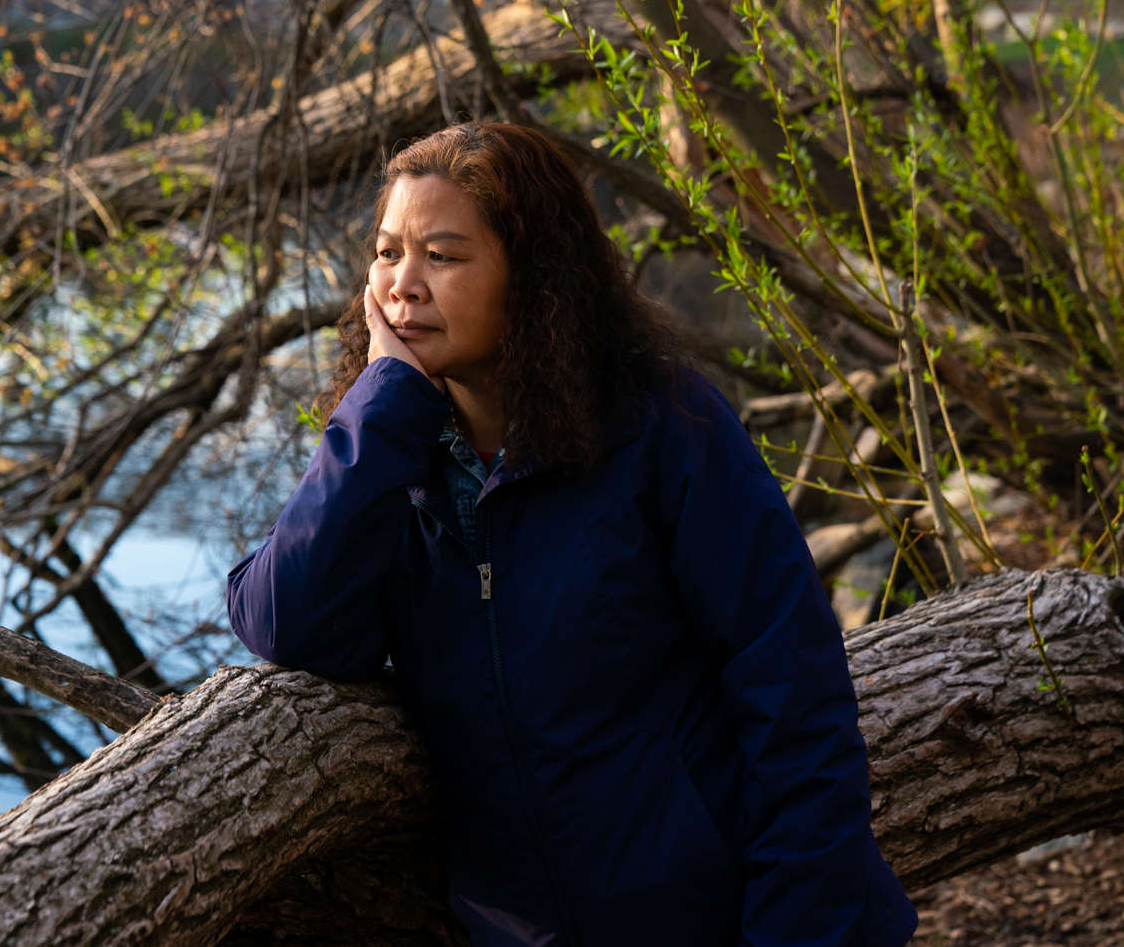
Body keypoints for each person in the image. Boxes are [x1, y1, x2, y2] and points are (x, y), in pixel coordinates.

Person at [226, 122, 915, 947]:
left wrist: (798, 932)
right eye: (386, 253)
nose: (403, 284)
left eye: (441, 256)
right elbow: (284, 622)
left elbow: (791, 686)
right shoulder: (389, 457)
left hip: (717, 919)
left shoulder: (662, 426)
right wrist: (381, 407)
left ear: (532, 275)